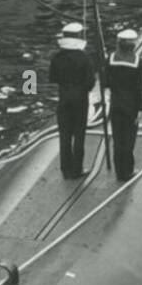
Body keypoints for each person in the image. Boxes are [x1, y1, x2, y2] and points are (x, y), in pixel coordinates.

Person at [50, 21, 96, 180]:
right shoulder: (84, 58)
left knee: (64, 135)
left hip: (64, 97)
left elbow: (53, 77)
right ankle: (77, 169)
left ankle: (65, 168)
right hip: (80, 99)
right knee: (79, 135)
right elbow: (90, 82)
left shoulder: (57, 57)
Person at [103, 29, 142, 183]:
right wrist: (141, 109)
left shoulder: (110, 59)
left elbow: (105, 82)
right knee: (128, 140)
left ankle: (119, 172)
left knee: (117, 138)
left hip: (115, 105)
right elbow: (140, 88)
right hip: (131, 107)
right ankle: (127, 171)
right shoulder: (138, 62)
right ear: (133, 45)